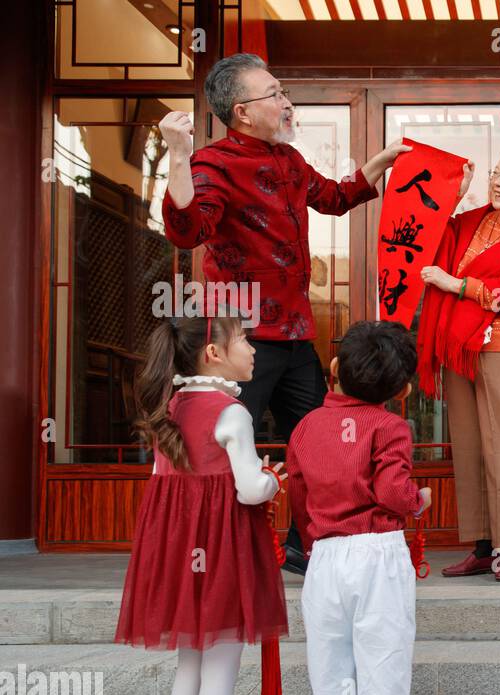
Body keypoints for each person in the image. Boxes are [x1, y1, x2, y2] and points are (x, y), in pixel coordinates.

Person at [157, 52, 410, 575]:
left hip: (296, 333)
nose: (286, 102)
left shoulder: (290, 161)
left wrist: (380, 163)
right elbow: (188, 230)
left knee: (315, 439)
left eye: (283, 90)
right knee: (226, 445)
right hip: (240, 339)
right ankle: (218, 552)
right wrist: (179, 158)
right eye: (275, 94)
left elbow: (336, 196)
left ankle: (303, 545)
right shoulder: (213, 165)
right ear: (243, 111)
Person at [114, 311, 286, 695]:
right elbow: (248, 489)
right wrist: (275, 480)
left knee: (190, 660)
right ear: (213, 353)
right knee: (221, 663)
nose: (253, 349)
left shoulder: (172, 407)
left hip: (178, 552)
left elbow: (163, 483)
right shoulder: (231, 413)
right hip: (223, 548)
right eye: (244, 341)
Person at [287, 320, 431, 695]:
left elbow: (299, 500)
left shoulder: (305, 428)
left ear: (333, 370)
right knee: (382, 674)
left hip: (325, 558)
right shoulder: (390, 427)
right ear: (403, 390)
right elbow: (394, 492)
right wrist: (418, 501)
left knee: (331, 677)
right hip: (378, 555)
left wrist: (315, 544)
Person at [417, 145, 500, 582]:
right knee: (471, 447)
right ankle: (481, 546)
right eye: (496, 172)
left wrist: (458, 286)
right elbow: (431, 241)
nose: (498, 181)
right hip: (461, 345)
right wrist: (454, 197)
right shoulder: (473, 219)